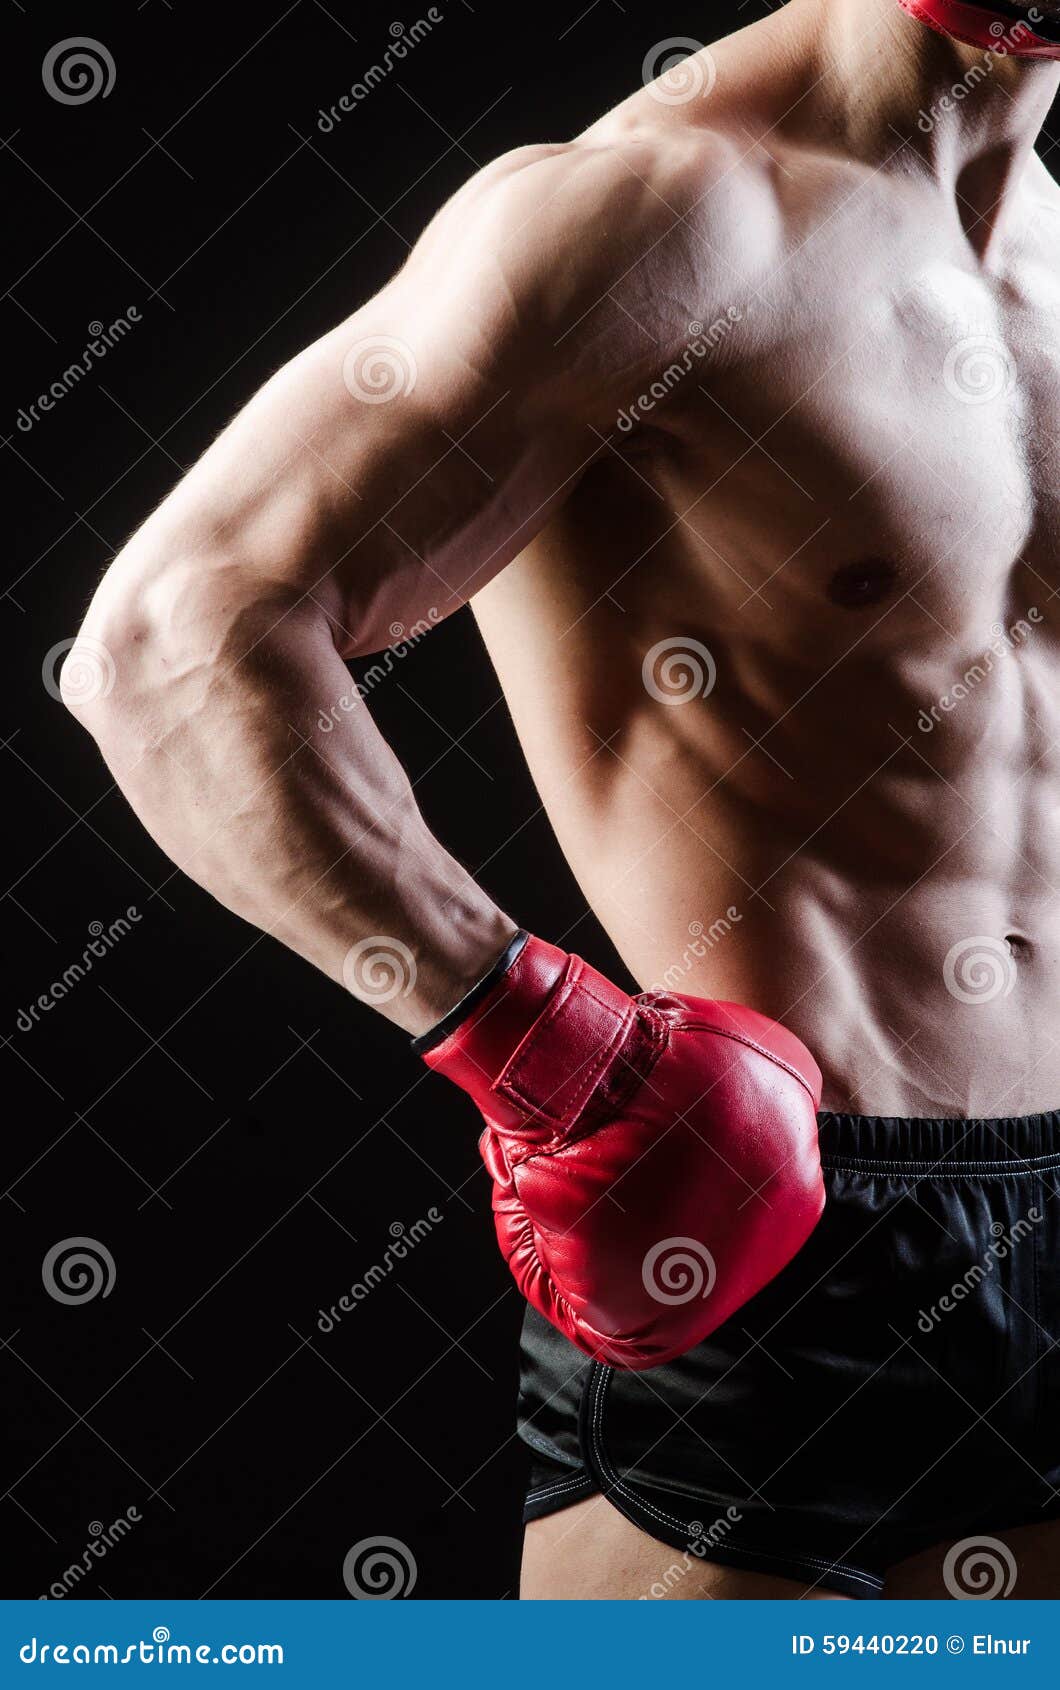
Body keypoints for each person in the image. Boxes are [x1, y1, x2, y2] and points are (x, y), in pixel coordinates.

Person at [65, 0, 1060, 1600]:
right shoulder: (669, 213)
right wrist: (540, 1048)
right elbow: (176, 637)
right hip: (770, 1227)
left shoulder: (1046, 262)